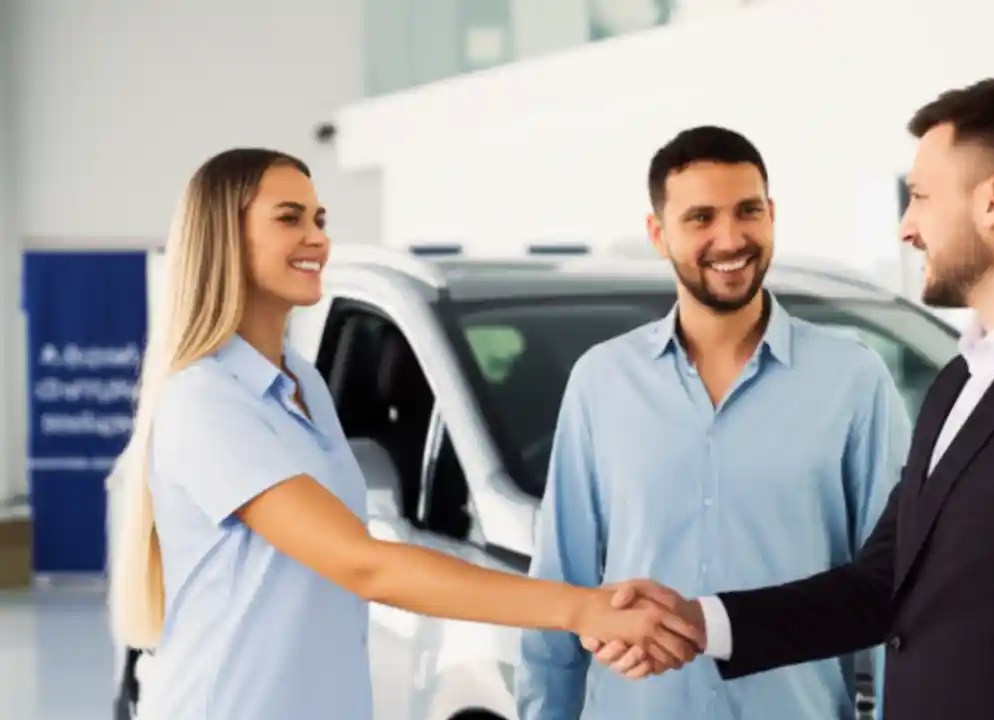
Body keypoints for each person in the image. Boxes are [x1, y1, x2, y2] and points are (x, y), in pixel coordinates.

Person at [593, 78, 994, 720]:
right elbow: (879, 587)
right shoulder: (960, 381)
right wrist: (698, 621)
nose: (906, 227)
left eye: (919, 197)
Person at [107, 148, 703, 720]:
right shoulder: (207, 399)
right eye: (289, 218)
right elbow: (364, 565)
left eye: (319, 219)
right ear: (224, 239)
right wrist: (583, 608)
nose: (317, 237)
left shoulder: (305, 385)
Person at [516, 126, 910, 719]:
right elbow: (560, 586)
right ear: (658, 233)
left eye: (748, 211)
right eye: (700, 217)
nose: (730, 238)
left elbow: (895, 584)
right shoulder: (602, 380)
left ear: (771, 215)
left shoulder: (854, 379)